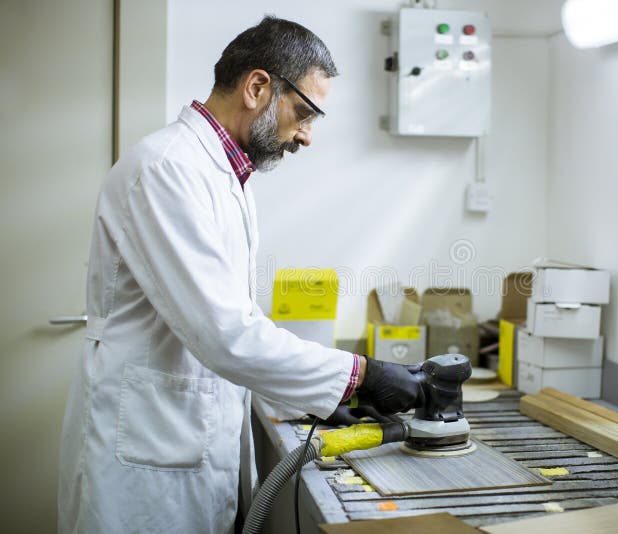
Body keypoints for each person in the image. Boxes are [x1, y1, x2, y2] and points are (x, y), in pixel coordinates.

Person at [57, 16, 422, 533]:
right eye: (305, 112)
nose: (307, 136)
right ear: (257, 87)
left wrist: (316, 396)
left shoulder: (229, 178)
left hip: (185, 438)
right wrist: (360, 375)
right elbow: (224, 335)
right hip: (144, 456)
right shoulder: (166, 170)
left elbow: (236, 322)